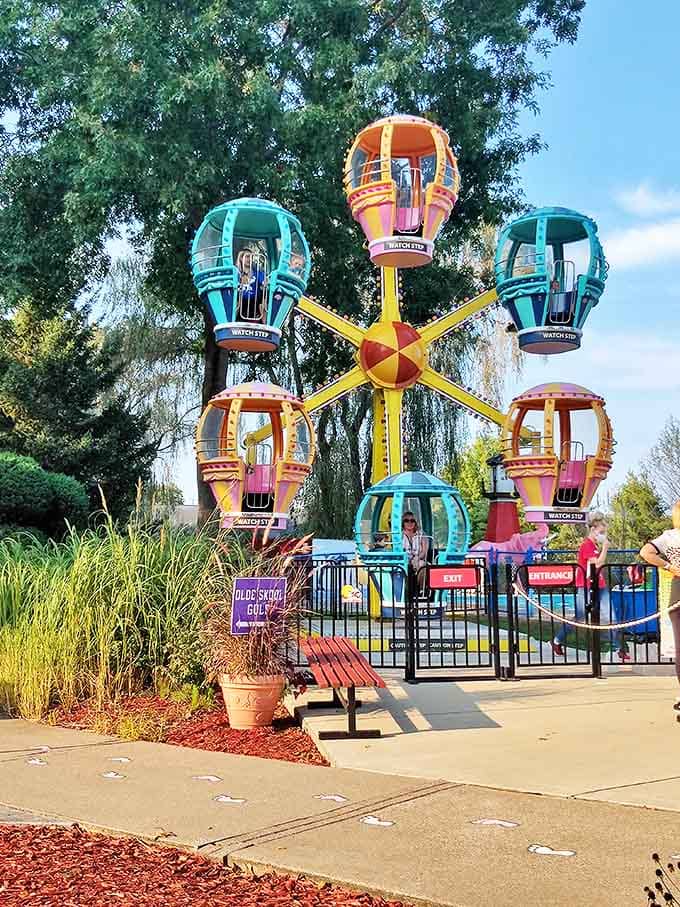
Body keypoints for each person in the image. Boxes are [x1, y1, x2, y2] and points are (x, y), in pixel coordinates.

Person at [551, 511, 629, 660]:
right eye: (601, 532)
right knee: (580, 616)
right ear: (593, 529)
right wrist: (606, 547)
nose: (603, 535)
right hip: (586, 585)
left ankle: (619, 648)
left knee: (611, 615)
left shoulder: (593, 545)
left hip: (599, 585)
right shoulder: (587, 545)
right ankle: (557, 640)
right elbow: (598, 563)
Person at [640, 501, 680, 711]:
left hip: (677, 590)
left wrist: (670, 566)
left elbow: (646, 552)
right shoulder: (670, 536)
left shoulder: (669, 537)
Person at [402, 511, 428, 590]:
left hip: (418, 559)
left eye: (412, 520)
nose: (409, 523)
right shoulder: (399, 535)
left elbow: (424, 551)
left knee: (422, 565)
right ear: (403, 522)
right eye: (406, 520)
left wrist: (417, 557)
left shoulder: (421, 534)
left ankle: (420, 589)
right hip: (404, 560)